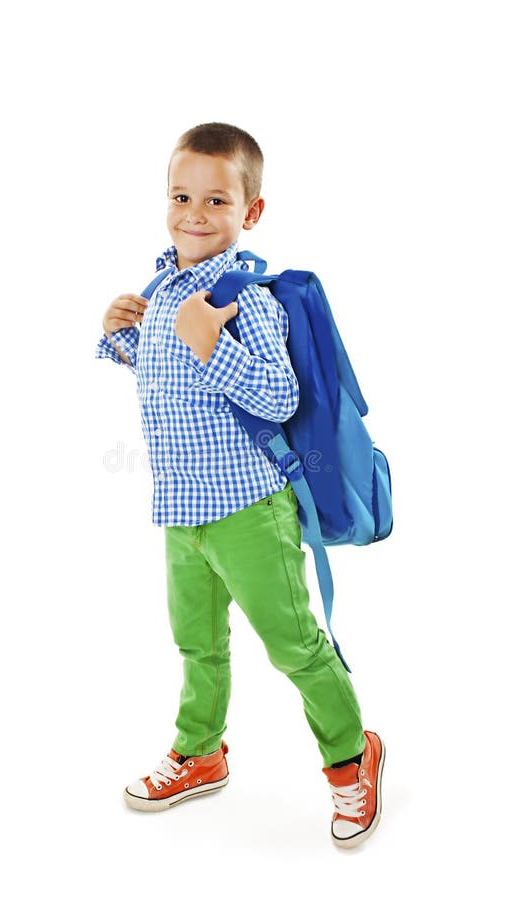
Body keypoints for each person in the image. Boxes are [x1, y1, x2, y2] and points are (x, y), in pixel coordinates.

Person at [96, 122, 385, 849]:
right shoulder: (163, 288)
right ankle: (200, 753)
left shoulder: (244, 297)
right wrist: (121, 333)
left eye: (216, 200)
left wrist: (208, 339)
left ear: (249, 213)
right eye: (181, 195)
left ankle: (352, 759)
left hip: (251, 511)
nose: (195, 212)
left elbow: (278, 395)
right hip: (182, 511)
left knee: (293, 647)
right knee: (197, 644)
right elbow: (169, 383)